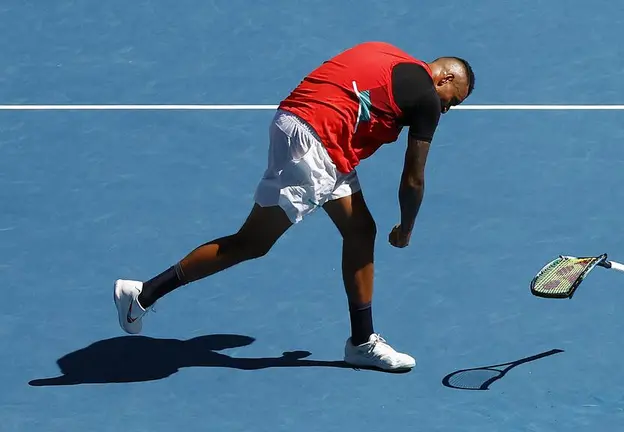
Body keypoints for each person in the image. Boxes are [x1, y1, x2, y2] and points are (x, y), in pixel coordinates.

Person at [113, 41, 475, 372]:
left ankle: (362, 342)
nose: (446, 108)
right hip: (317, 145)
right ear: (444, 78)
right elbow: (413, 179)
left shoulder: (384, 51)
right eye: (452, 100)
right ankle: (143, 294)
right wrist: (407, 228)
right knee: (252, 242)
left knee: (361, 229)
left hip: (298, 123)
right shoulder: (427, 98)